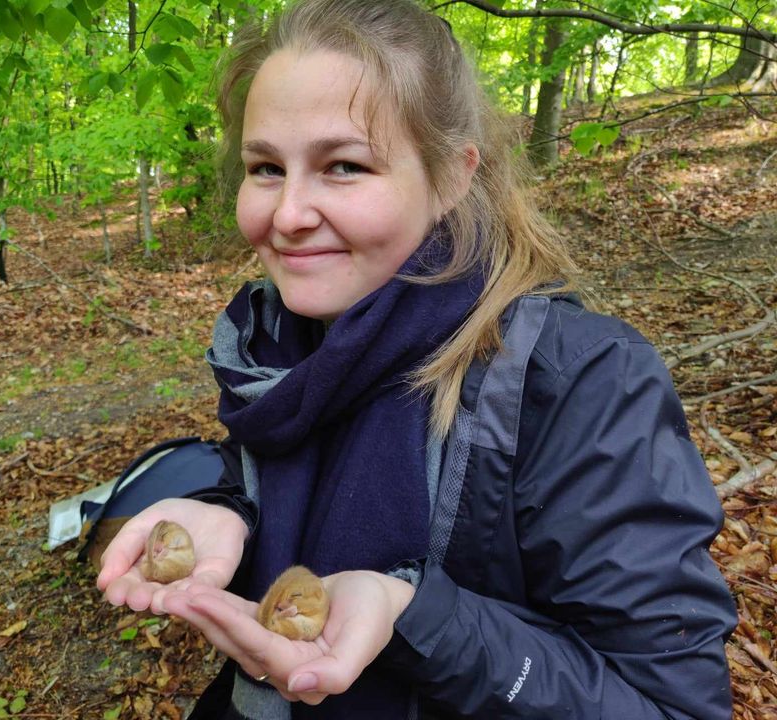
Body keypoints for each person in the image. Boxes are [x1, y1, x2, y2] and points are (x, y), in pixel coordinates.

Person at [97, 0, 737, 717]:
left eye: (343, 165)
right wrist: (229, 514)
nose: (287, 215)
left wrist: (412, 616)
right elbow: (284, 485)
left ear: (451, 176)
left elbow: (667, 703)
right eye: (266, 167)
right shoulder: (283, 342)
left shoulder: (579, 382)